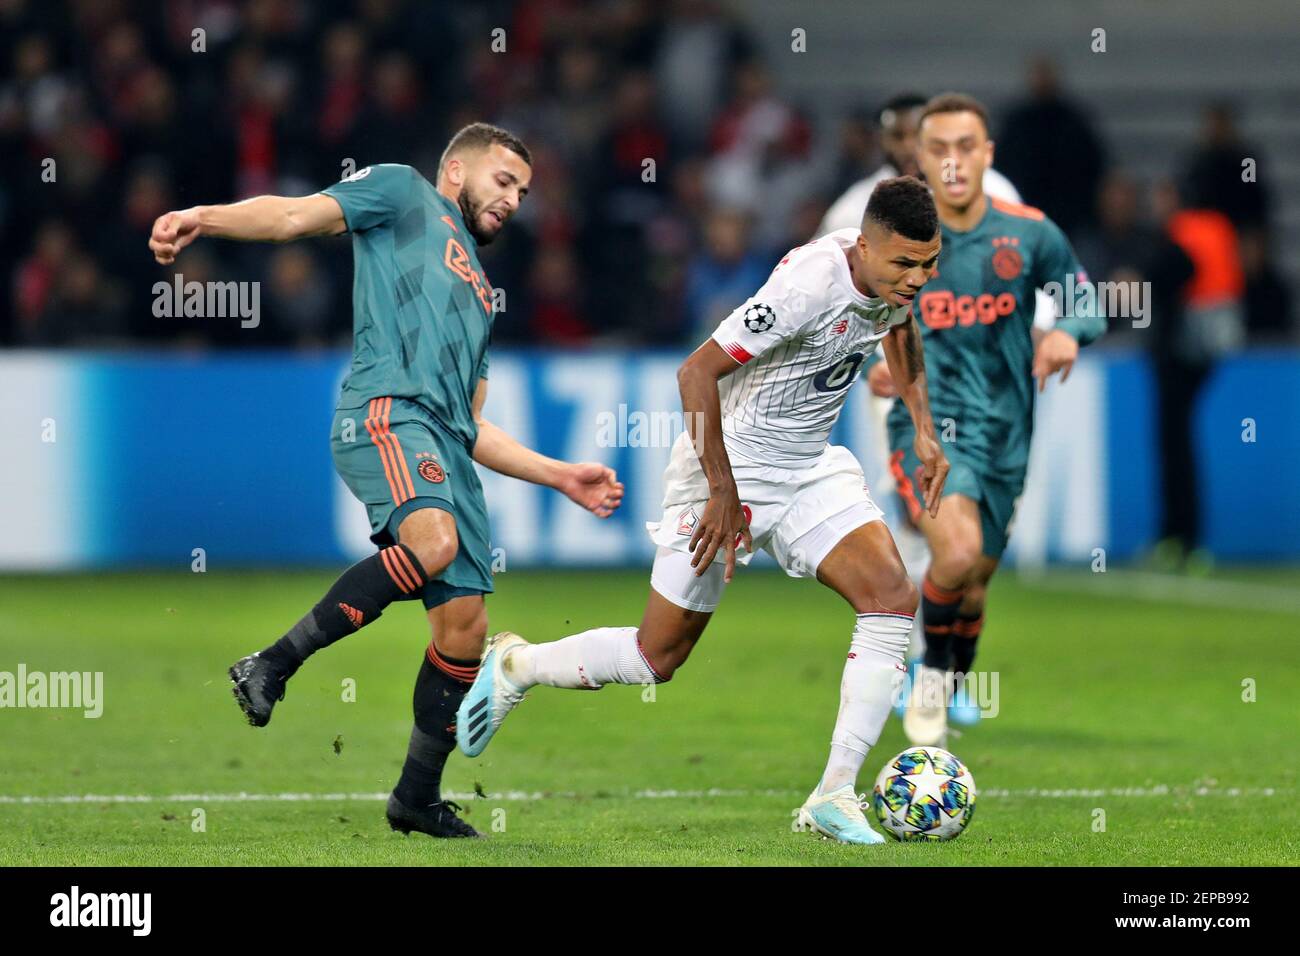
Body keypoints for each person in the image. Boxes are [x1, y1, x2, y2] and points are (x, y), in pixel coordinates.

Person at [147, 123, 625, 838]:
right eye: (503, 182)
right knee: (432, 542)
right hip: (388, 413)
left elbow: (473, 426)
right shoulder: (402, 192)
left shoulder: (484, 294)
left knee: (466, 630)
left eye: (524, 191)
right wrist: (203, 217)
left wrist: (561, 477)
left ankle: (415, 800)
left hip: (443, 443)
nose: (515, 201)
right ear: (456, 171)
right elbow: (290, 216)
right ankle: (272, 664)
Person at [457, 177, 950, 845]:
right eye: (904, 264)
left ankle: (833, 794)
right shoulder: (809, 284)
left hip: (808, 467)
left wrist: (921, 425)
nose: (918, 278)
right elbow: (694, 372)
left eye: (930, 263)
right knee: (656, 657)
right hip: (725, 464)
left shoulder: (891, 285)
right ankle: (516, 664)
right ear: (863, 247)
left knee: (892, 595)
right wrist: (723, 491)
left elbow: (902, 327)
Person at [880, 95, 1105, 747]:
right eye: (939, 149)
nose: (953, 161)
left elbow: (1086, 300)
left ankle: (950, 684)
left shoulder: (1029, 233)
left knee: (973, 582)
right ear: (919, 158)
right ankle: (929, 681)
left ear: (988, 155)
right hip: (927, 429)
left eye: (966, 147)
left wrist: (1066, 332)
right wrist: (871, 356)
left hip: (1007, 432)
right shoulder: (897, 237)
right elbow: (853, 308)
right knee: (955, 552)